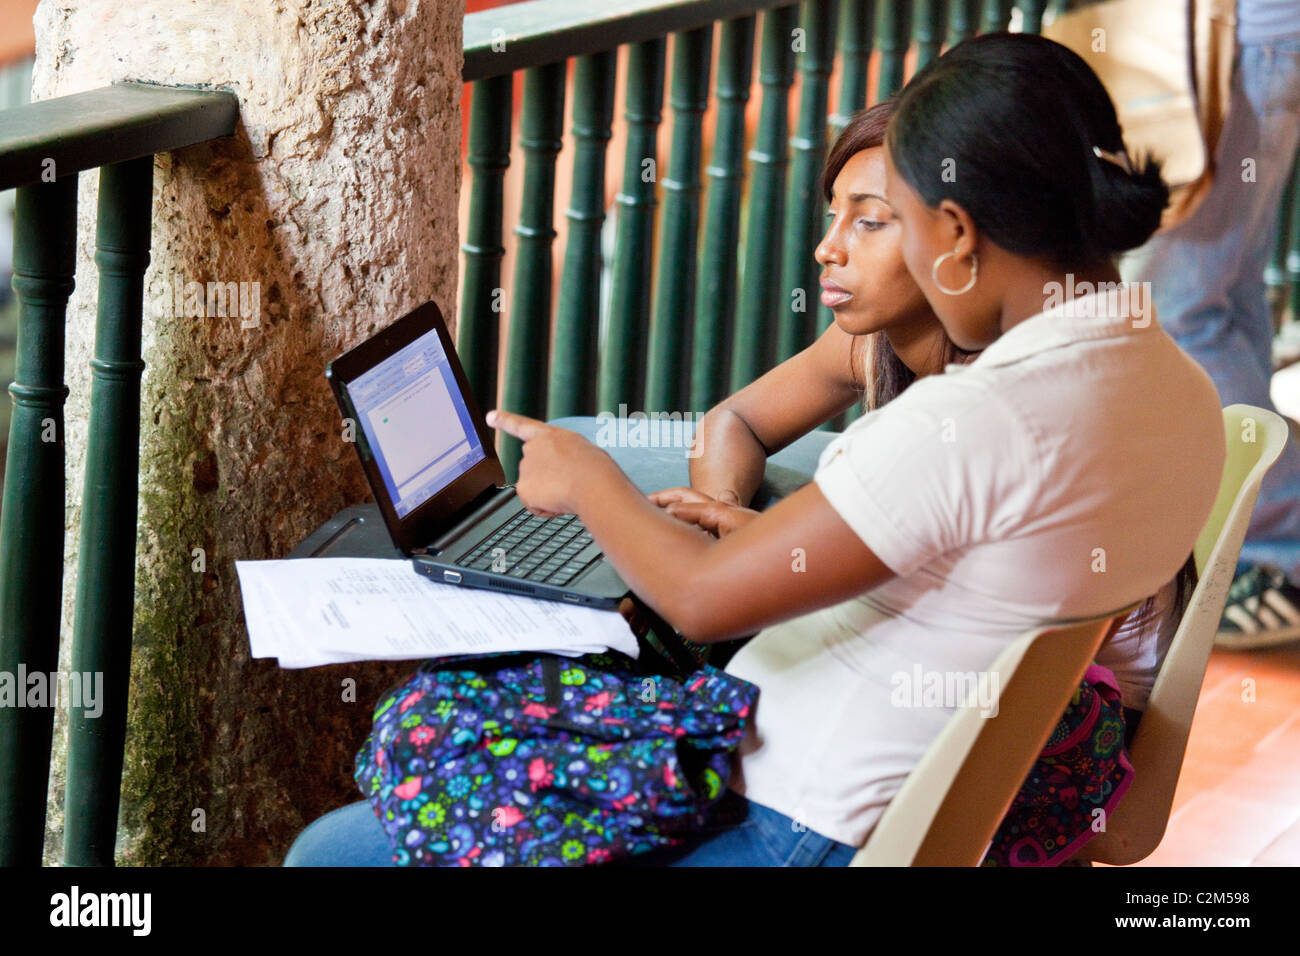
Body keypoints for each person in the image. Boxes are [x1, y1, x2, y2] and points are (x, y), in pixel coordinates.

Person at [285, 32, 1225, 867]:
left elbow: (700, 597)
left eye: (885, 214)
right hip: (913, 798)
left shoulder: (973, 421)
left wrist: (587, 481)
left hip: (805, 819)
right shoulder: (1177, 388)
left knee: (339, 846)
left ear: (955, 235)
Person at [1120, 0, 1300, 648]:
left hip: (1249, 41)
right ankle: (1263, 537)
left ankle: (1281, 550)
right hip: (1257, 40)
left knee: (1177, 311)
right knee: (1226, 294)